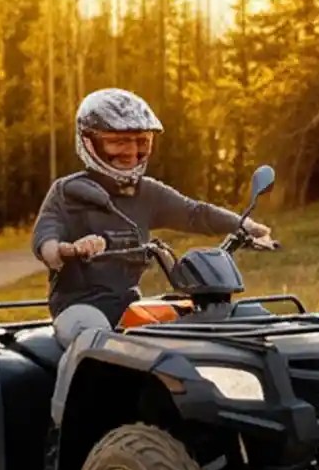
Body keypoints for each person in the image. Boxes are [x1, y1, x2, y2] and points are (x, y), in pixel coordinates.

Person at [31, 87, 272, 338]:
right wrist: (67, 250)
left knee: (193, 327)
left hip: (130, 303)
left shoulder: (146, 192)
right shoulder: (67, 192)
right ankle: (74, 378)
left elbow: (194, 213)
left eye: (141, 142)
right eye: (118, 142)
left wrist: (247, 226)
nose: (131, 153)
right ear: (89, 141)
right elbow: (44, 243)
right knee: (93, 337)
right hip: (79, 307)